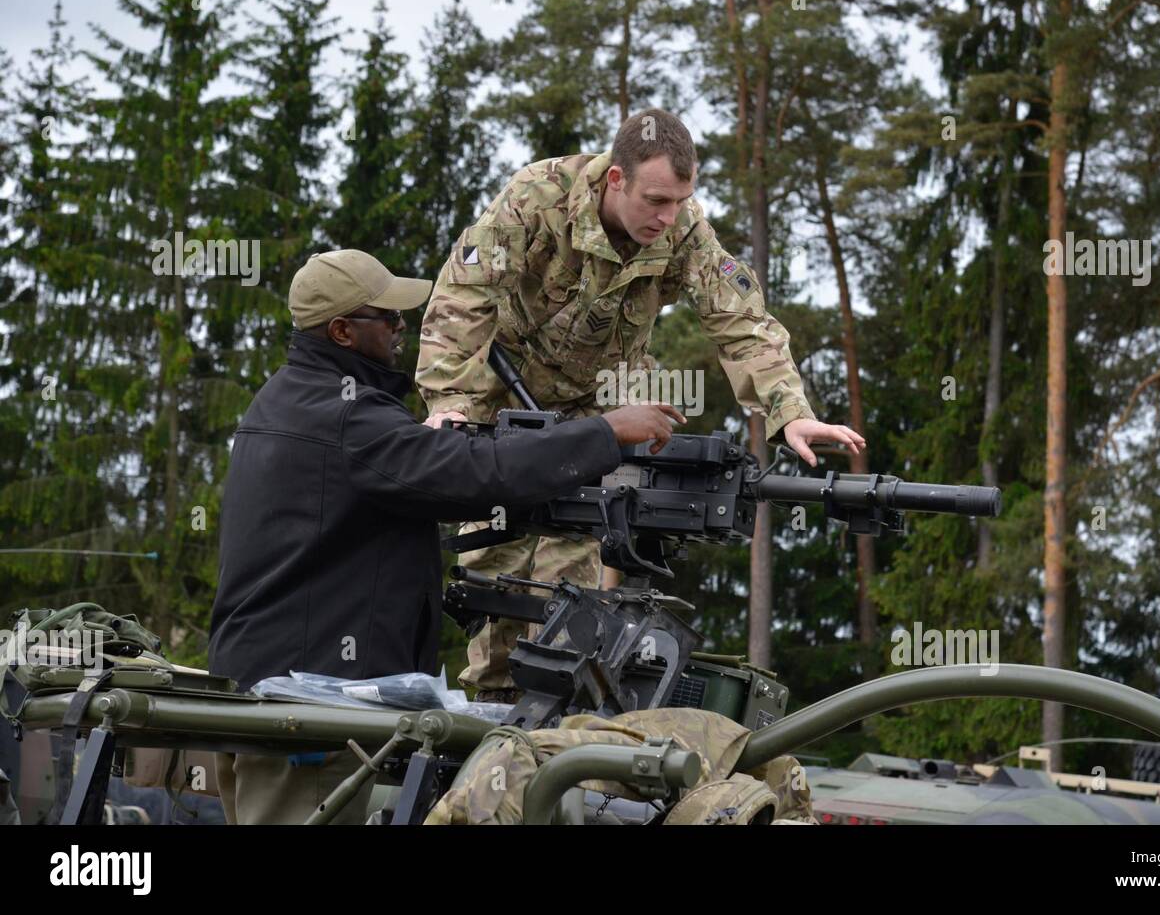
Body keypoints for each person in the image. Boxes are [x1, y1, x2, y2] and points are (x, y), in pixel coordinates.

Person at [208, 248, 683, 824]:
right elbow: (477, 477)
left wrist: (426, 441)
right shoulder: (348, 420)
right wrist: (605, 433)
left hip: (261, 690)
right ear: (341, 331)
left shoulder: (286, 399)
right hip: (309, 706)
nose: (401, 329)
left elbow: (406, 469)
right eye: (388, 319)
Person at [416, 108, 865, 703]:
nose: (669, 217)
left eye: (681, 200)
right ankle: (486, 723)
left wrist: (790, 410)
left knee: (566, 590)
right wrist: (450, 404)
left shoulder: (684, 230)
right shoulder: (537, 197)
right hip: (504, 407)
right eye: (657, 199)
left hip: (599, 415)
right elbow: (462, 297)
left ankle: (547, 724)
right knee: (497, 572)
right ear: (616, 180)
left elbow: (742, 322)